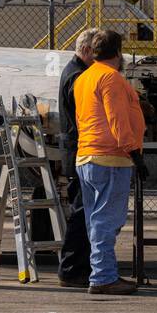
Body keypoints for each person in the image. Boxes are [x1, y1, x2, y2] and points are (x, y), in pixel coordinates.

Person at [73, 29, 148, 295]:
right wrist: (135, 154)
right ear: (118, 53)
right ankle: (104, 277)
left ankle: (101, 272)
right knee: (108, 219)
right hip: (111, 157)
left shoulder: (84, 77)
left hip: (87, 156)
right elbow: (117, 119)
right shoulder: (111, 78)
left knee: (95, 220)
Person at [57, 28, 101, 287]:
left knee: (83, 211)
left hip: (76, 150)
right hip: (79, 151)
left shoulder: (74, 71)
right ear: (86, 51)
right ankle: (72, 269)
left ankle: (76, 267)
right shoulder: (78, 76)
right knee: (82, 212)